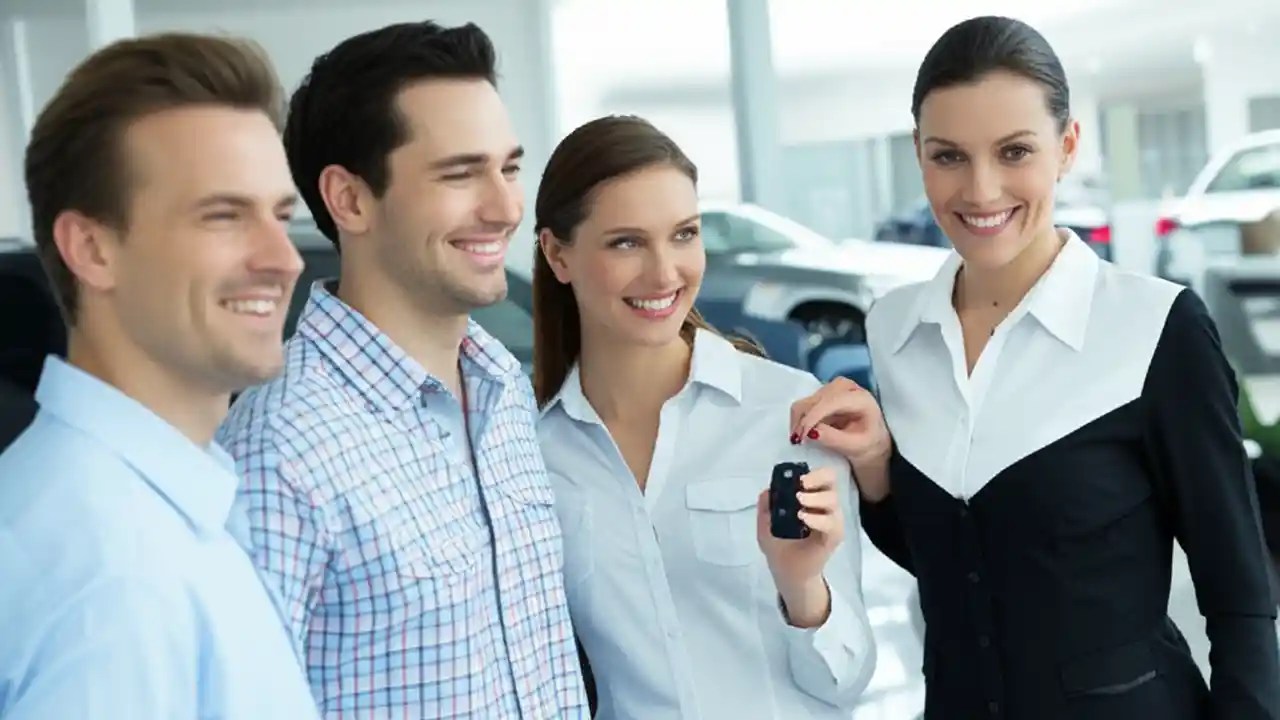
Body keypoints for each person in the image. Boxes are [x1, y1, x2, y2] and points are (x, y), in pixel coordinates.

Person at [789, 15, 1280, 720]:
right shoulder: (896, 329)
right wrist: (876, 471)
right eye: (948, 156)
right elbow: (954, 562)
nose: (981, 190)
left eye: (1014, 151)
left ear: (1067, 146)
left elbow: (1240, 597)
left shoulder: (1154, 328)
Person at [215, 20, 588, 719]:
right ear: (350, 198)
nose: (506, 207)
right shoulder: (276, 451)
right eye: (459, 173)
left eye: (508, 167)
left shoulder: (503, 389)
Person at [0, 32, 319, 719]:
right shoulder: (109, 576)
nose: (284, 259)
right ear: (92, 248)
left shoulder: (154, 507)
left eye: (281, 215)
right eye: (224, 216)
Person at [532, 114, 877, 719]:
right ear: (558, 255)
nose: (666, 273)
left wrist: (803, 589)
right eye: (626, 242)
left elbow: (846, 682)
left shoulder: (788, 414)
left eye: (684, 235)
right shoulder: (536, 451)